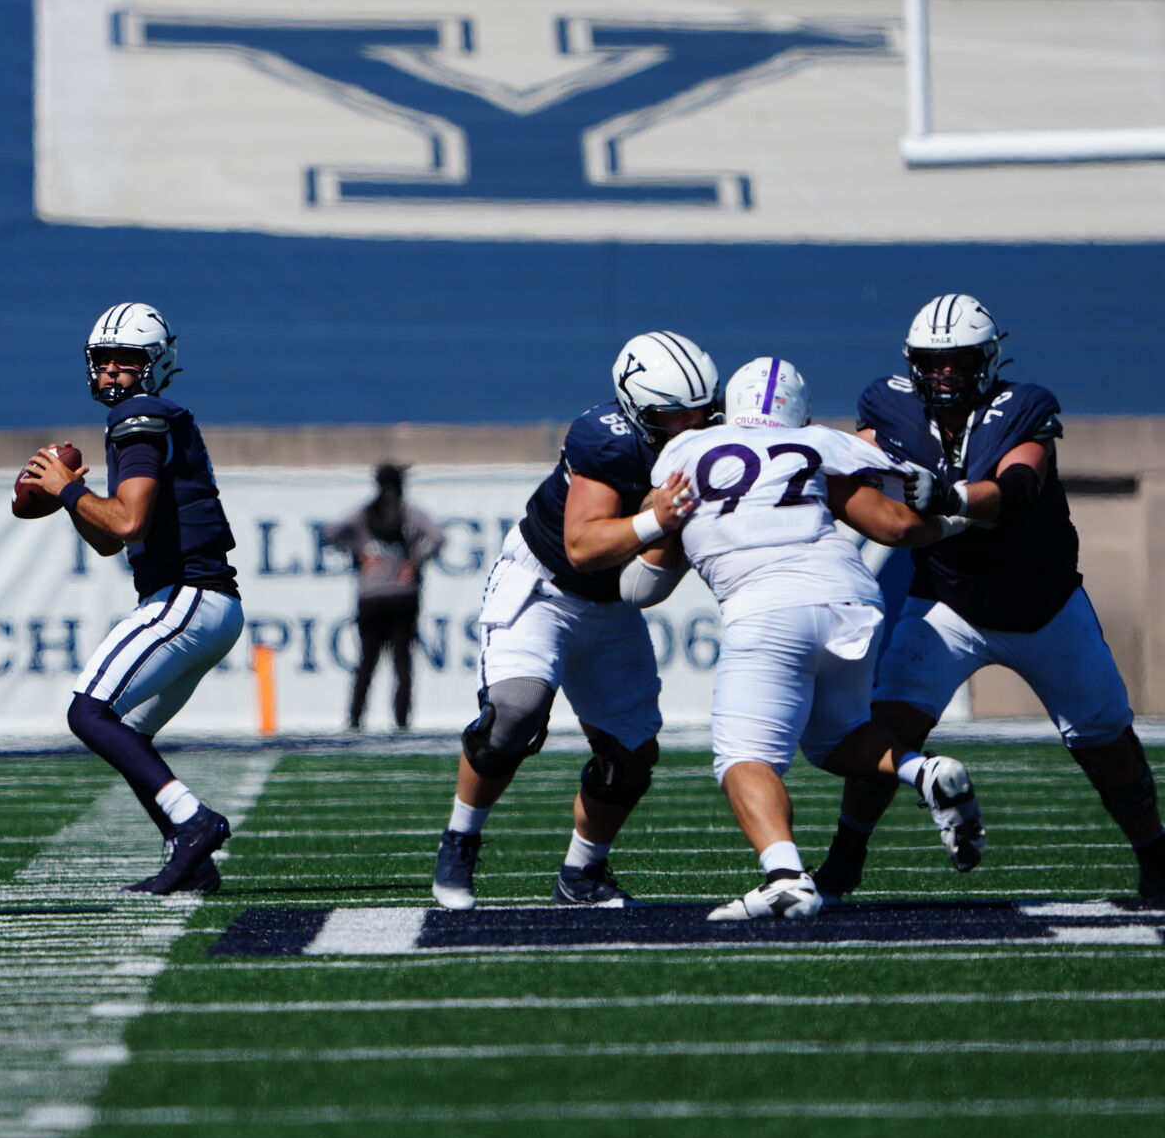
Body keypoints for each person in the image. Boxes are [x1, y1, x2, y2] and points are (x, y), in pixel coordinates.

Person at [815, 295, 1164, 903]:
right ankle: (845, 859)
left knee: (1106, 743)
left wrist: (952, 498)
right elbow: (847, 457)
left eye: (959, 361)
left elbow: (1020, 485)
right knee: (889, 728)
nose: (945, 373)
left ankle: (1157, 856)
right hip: (948, 603)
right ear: (913, 362)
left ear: (988, 360)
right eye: (933, 362)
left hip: (1044, 605)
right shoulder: (889, 405)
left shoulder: (1022, 405)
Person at [636, 356, 982, 919]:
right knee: (834, 741)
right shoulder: (823, 442)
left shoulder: (684, 450)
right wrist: (961, 518)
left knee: (744, 757)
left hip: (769, 604)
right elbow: (898, 521)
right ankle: (925, 771)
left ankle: (785, 877)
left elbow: (653, 553)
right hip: (851, 595)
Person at [430, 332, 712, 911]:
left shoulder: (717, 441)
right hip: (545, 586)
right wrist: (657, 520)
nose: (689, 429)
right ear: (636, 408)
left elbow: (647, 585)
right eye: (671, 416)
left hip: (612, 606)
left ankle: (582, 873)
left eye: (699, 414)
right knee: (515, 713)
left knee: (632, 757)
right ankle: (460, 839)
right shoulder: (606, 439)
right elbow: (583, 546)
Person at [23, 303, 243, 895]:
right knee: (124, 729)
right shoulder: (142, 417)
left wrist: (68, 488)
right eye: (104, 361)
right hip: (205, 600)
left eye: (128, 361)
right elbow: (105, 539)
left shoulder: (140, 415)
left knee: (87, 711)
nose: (113, 372)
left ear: (158, 363)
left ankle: (193, 822)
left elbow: (127, 523)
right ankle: (191, 858)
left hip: (188, 594)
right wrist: (72, 498)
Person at [321, 464, 443, 730]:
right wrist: (414, 562)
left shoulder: (365, 513)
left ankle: (355, 719)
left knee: (367, 661)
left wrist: (358, 552)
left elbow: (330, 532)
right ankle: (401, 721)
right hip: (402, 595)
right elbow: (437, 536)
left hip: (371, 596)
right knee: (402, 662)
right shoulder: (408, 513)